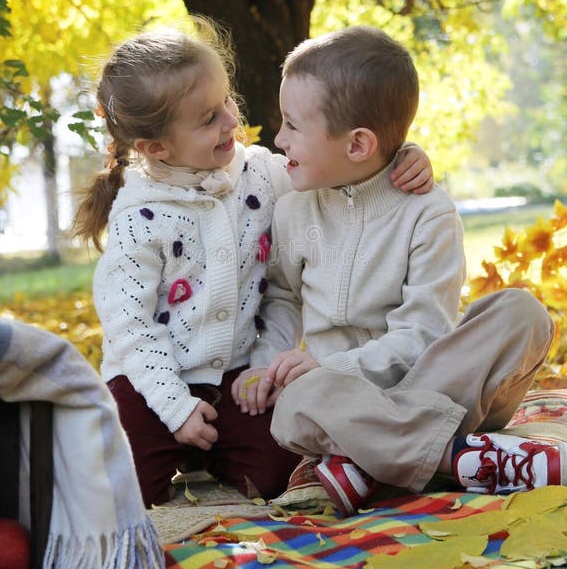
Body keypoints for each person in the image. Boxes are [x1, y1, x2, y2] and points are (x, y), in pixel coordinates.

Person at [73, 19, 434, 508]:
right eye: (207, 119)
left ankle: (221, 456)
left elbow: (342, 164)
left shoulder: (263, 174)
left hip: (238, 376)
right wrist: (175, 407)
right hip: (150, 381)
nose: (230, 121)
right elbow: (130, 329)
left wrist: (403, 154)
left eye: (227, 101)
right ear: (156, 147)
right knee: (123, 487)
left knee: (276, 474)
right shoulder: (139, 219)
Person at [232, 25, 561, 517]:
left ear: (359, 144)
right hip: (341, 399)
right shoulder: (293, 209)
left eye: (292, 126)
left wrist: (334, 365)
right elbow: (280, 298)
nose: (279, 138)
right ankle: (456, 459)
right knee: (297, 404)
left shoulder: (427, 211)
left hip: (436, 382)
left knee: (525, 314)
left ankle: (368, 463)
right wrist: (268, 363)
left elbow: (424, 334)